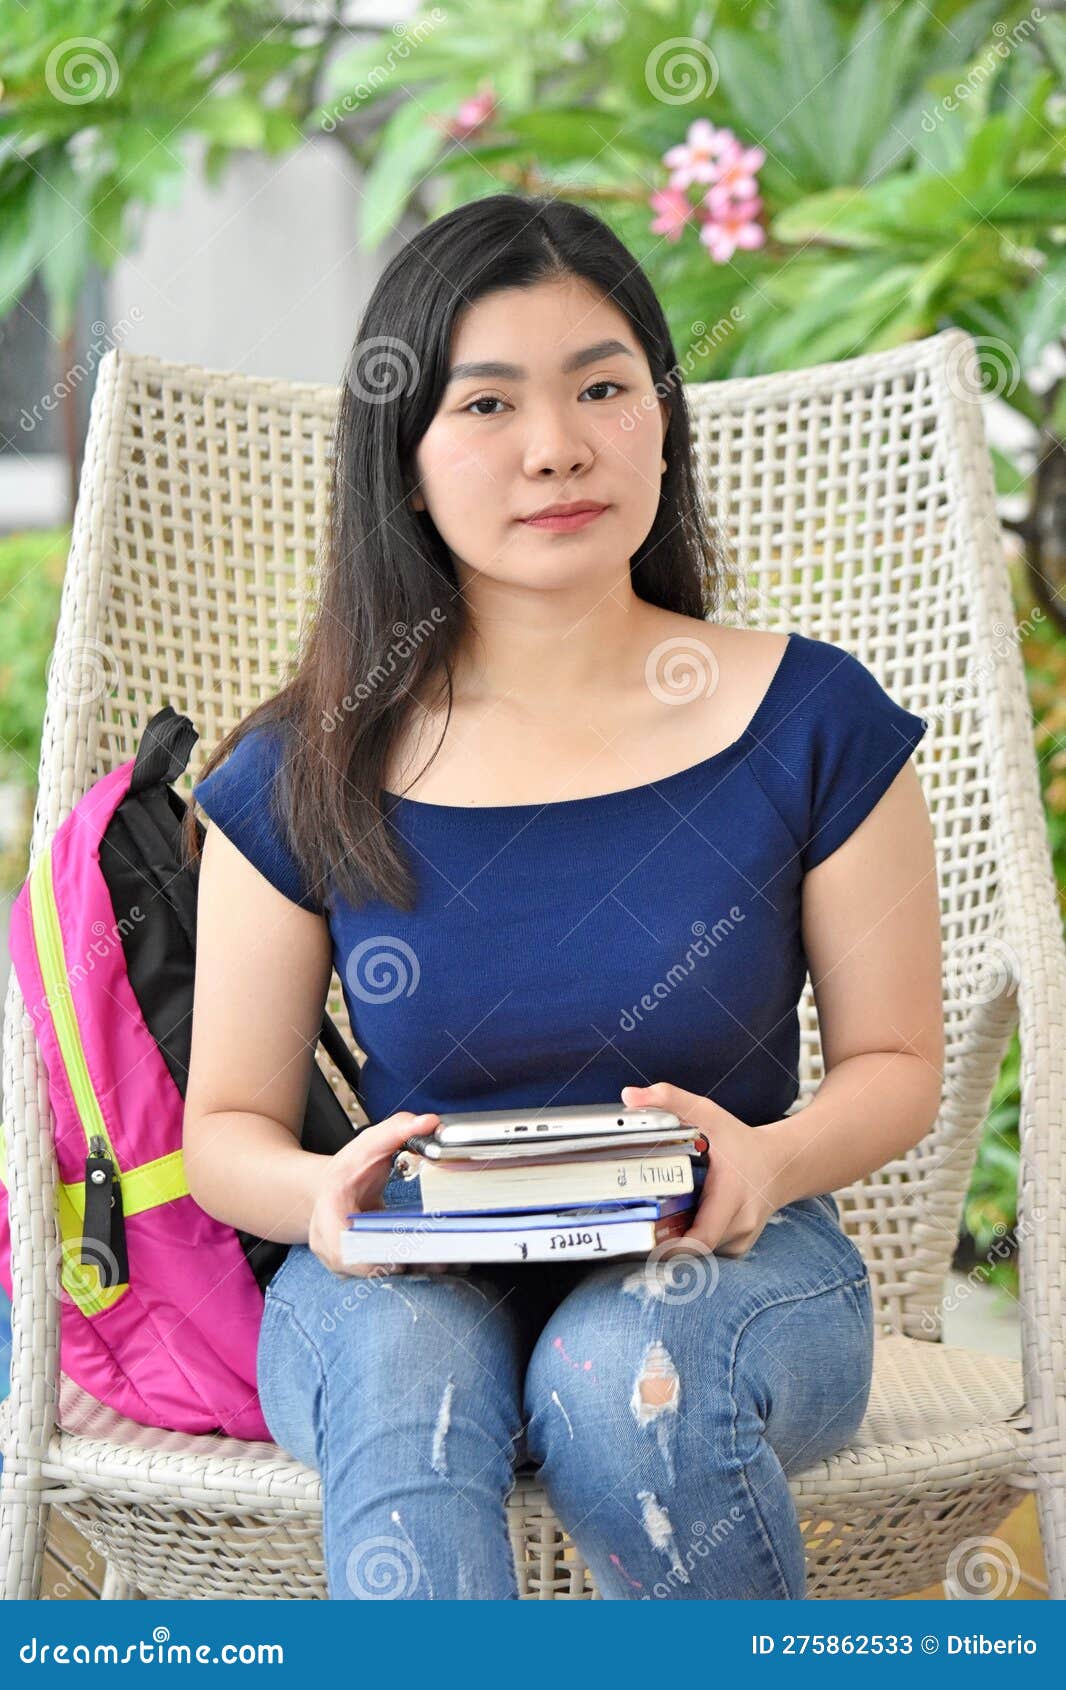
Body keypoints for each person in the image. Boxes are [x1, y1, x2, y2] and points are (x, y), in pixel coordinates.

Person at [181, 193, 943, 1600]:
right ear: (402, 464)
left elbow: (896, 1065)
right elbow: (222, 1129)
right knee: (411, 1369)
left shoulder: (811, 716)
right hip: (398, 1275)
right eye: (487, 404)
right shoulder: (308, 760)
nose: (556, 447)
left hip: (738, 1260)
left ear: (661, 418)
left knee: (620, 1377)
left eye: (603, 386)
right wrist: (324, 1200)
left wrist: (766, 1163)